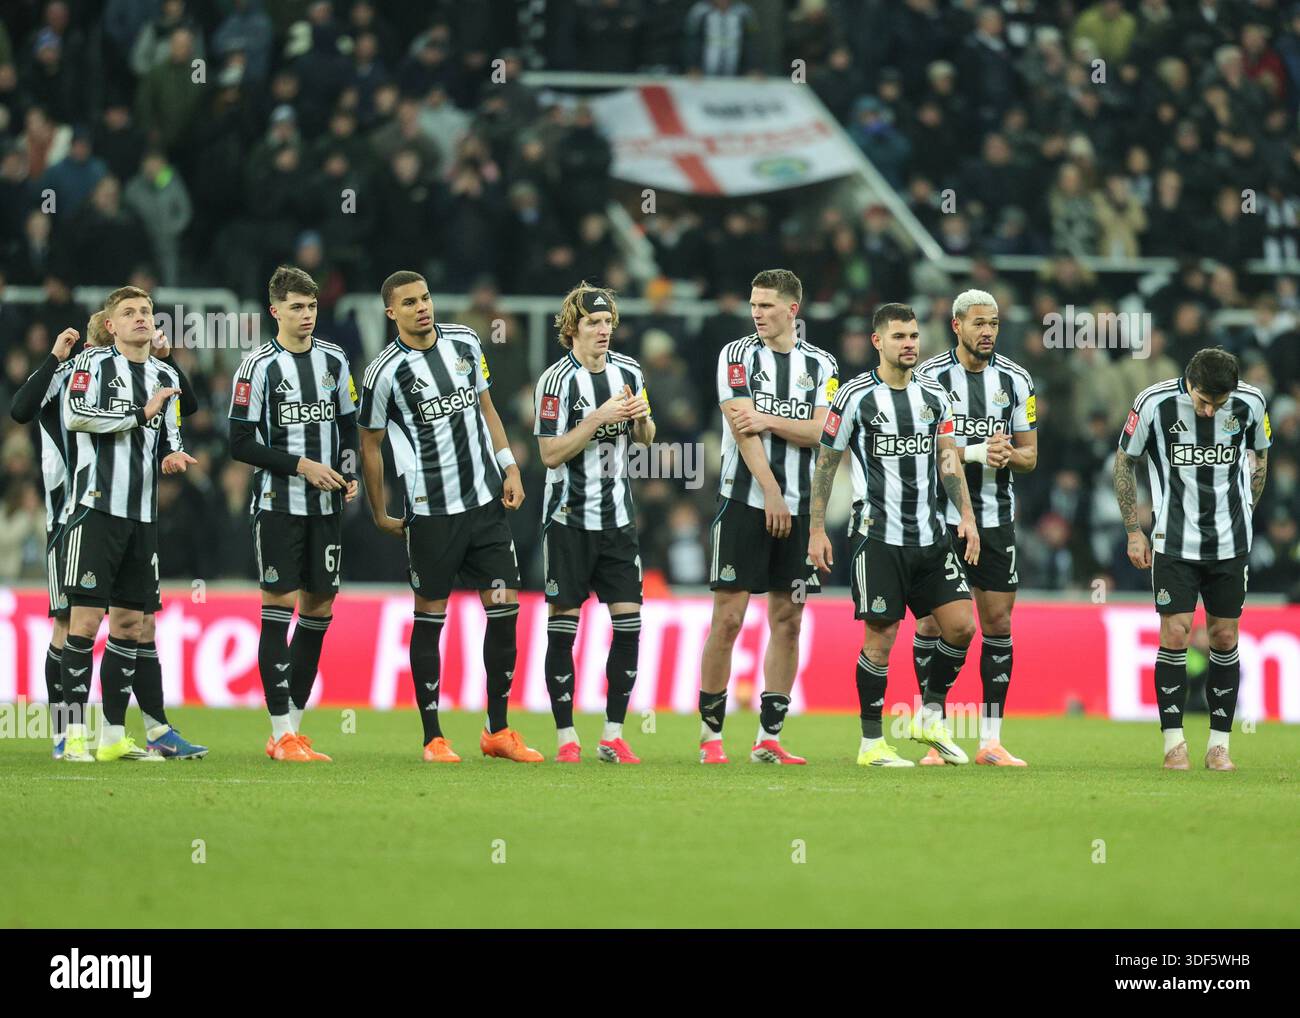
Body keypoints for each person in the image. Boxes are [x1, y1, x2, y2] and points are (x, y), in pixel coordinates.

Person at [358, 270, 540, 764]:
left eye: (427, 297)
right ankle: (433, 737)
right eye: (410, 302)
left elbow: (487, 409)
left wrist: (510, 467)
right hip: (431, 515)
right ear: (391, 312)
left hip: (484, 507)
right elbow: (370, 446)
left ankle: (497, 729)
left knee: (505, 613)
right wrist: (379, 510)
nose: (423, 307)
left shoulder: (464, 342)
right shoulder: (383, 373)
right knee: (430, 618)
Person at [11, 310, 207, 759]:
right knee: (68, 622)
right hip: (71, 513)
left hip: (126, 513)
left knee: (137, 623)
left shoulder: (140, 373)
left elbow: (184, 408)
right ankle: (66, 733)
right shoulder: (72, 377)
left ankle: (138, 729)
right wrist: (52, 359)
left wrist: (166, 357)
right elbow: (21, 410)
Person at [808, 303, 980, 767]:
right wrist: (817, 529)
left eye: (914, 336)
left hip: (930, 535)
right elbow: (826, 463)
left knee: (962, 626)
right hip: (877, 536)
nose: (909, 344)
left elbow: (948, 459)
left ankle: (928, 714)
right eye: (899, 336)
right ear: (877, 341)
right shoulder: (853, 397)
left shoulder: (934, 395)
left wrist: (966, 515)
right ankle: (871, 745)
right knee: (881, 638)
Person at [699, 269, 838, 765]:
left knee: (788, 618)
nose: (756, 313)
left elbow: (823, 429)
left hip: (800, 510)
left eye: (766, 306)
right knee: (728, 618)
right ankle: (711, 737)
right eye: (753, 305)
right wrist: (772, 489)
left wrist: (771, 419)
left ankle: (769, 738)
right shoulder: (736, 355)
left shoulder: (822, 365)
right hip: (744, 502)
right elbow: (741, 427)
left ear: (792, 310)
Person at [1113, 347, 1269, 771]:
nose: (1208, 410)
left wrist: (1246, 510)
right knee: (1176, 634)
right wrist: (1132, 530)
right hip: (1173, 541)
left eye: (1217, 404)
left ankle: (1219, 745)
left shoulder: (1252, 402)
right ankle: (1173, 742)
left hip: (1229, 543)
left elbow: (1260, 455)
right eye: (1202, 400)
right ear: (1189, 380)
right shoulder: (1153, 403)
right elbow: (1125, 461)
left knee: (1223, 638)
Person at [58, 287, 196, 763]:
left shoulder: (163, 373)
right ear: (111, 325)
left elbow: (170, 433)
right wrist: (139, 414)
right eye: (129, 313)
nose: (140, 318)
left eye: (146, 311)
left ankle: (113, 734)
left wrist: (173, 453)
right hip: (97, 510)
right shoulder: (91, 365)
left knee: (131, 624)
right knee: (85, 622)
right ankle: (73, 736)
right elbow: (76, 416)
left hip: (143, 516)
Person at [228, 266, 359, 763]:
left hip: (325, 509)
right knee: (278, 607)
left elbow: (348, 428)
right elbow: (239, 444)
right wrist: (302, 465)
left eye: (311, 307)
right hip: (278, 506)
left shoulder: (334, 359)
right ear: (275, 311)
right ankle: (279, 729)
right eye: (297, 308)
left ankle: (293, 730)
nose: (306, 316)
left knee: (319, 609)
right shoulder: (257, 367)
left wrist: (346, 474)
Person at [911, 290, 1038, 766]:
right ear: (957, 324)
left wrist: (1010, 456)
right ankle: (935, 733)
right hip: (939, 518)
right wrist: (976, 451)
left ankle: (990, 740)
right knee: (932, 621)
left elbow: (1031, 454)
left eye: (995, 324)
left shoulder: (1017, 379)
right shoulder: (928, 378)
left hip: (996, 519)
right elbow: (919, 447)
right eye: (980, 323)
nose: (988, 332)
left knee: (998, 623)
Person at [534, 283, 654, 763]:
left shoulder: (629, 371)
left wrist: (643, 421)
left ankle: (612, 734)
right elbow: (549, 454)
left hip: (617, 520)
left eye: (608, 323)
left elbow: (645, 439)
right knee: (564, 625)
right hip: (567, 520)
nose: (604, 331)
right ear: (572, 329)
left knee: (629, 625)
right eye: (593, 324)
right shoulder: (555, 382)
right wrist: (595, 419)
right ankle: (566, 737)